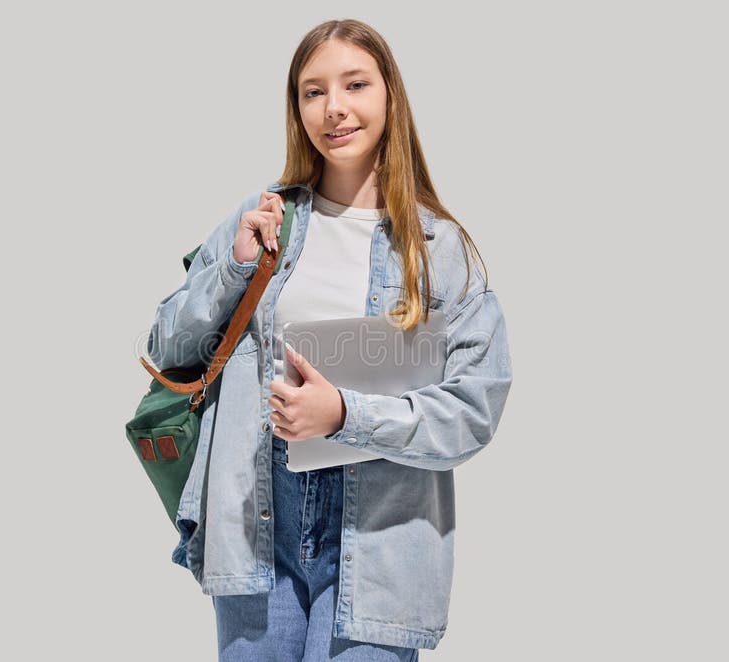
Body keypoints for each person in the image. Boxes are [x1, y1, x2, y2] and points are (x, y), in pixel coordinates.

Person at [146, 18, 513, 661]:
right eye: (312, 91)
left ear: (390, 96)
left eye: (355, 84)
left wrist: (345, 415)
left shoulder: (438, 251)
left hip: (379, 541)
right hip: (258, 524)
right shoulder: (263, 220)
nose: (334, 108)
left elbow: (474, 410)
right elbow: (166, 347)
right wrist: (232, 269)